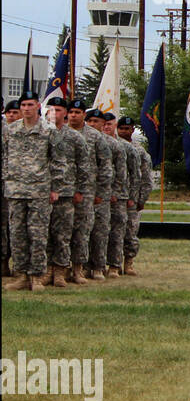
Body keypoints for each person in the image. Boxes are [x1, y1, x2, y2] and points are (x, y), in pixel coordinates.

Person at [3, 92, 64, 292]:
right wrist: (7, 178)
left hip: (39, 190)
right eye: (23, 105)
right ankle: (21, 275)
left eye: (30, 104)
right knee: (17, 234)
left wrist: (55, 188)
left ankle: (37, 276)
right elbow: (4, 156)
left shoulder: (48, 130)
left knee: (38, 234)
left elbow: (57, 161)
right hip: (15, 189)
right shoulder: (10, 130)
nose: (26, 108)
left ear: (38, 105)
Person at [43, 96, 90, 288]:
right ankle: (46, 270)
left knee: (63, 234)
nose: (54, 113)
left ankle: (61, 271)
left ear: (65, 113)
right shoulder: (42, 134)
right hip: (43, 191)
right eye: (51, 109)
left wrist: (80, 190)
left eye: (59, 110)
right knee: (44, 234)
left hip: (67, 192)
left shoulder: (75, 137)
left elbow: (84, 166)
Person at [67, 99, 109, 284]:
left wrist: (100, 192)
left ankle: (79, 268)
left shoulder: (94, 136)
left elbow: (105, 165)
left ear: (84, 114)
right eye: (71, 112)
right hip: (63, 190)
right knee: (60, 232)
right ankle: (59, 268)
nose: (74, 115)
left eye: (77, 112)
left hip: (86, 191)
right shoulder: (58, 132)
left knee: (83, 231)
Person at [116, 116, 153, 276]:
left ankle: (129, 262)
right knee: (115, 232)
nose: (124, 131)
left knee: (130, 232)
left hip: (132, 198)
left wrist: (141, 199)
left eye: (127, 129)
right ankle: (114, 263)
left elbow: (146, 178)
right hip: (116, 196)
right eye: (121, 128)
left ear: (132, 130)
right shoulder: (112, 146)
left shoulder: (140, 151)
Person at [83, 109, 116, 281]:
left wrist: (102, 193)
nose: (93, 124)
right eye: (90, 121)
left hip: (99, 194)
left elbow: (107, 170)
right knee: (81, 232)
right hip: (81, 192)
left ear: (103, 124)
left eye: (96, 121)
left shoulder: (109, 143)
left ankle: (98, 266)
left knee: (99, 232)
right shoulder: (78, 137)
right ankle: (80, 266)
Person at [99, 111, 133, 278]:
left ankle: (115, 265)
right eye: (103, 124)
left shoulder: (124, 147)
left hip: (118, 196)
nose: (105, 127)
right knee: (98, 231)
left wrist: (129, 196)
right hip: (98, 194)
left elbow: (129, 174)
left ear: (115, 126)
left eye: (109, 124)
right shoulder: (96, 142)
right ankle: (94, 265)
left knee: (117, 232)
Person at [1, 98, 19, 277]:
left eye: (15, 112)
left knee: (9, 225)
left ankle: (7, 262)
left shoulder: (12, 132)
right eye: (9, 112)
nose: (11, 116)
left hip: (11, 184)